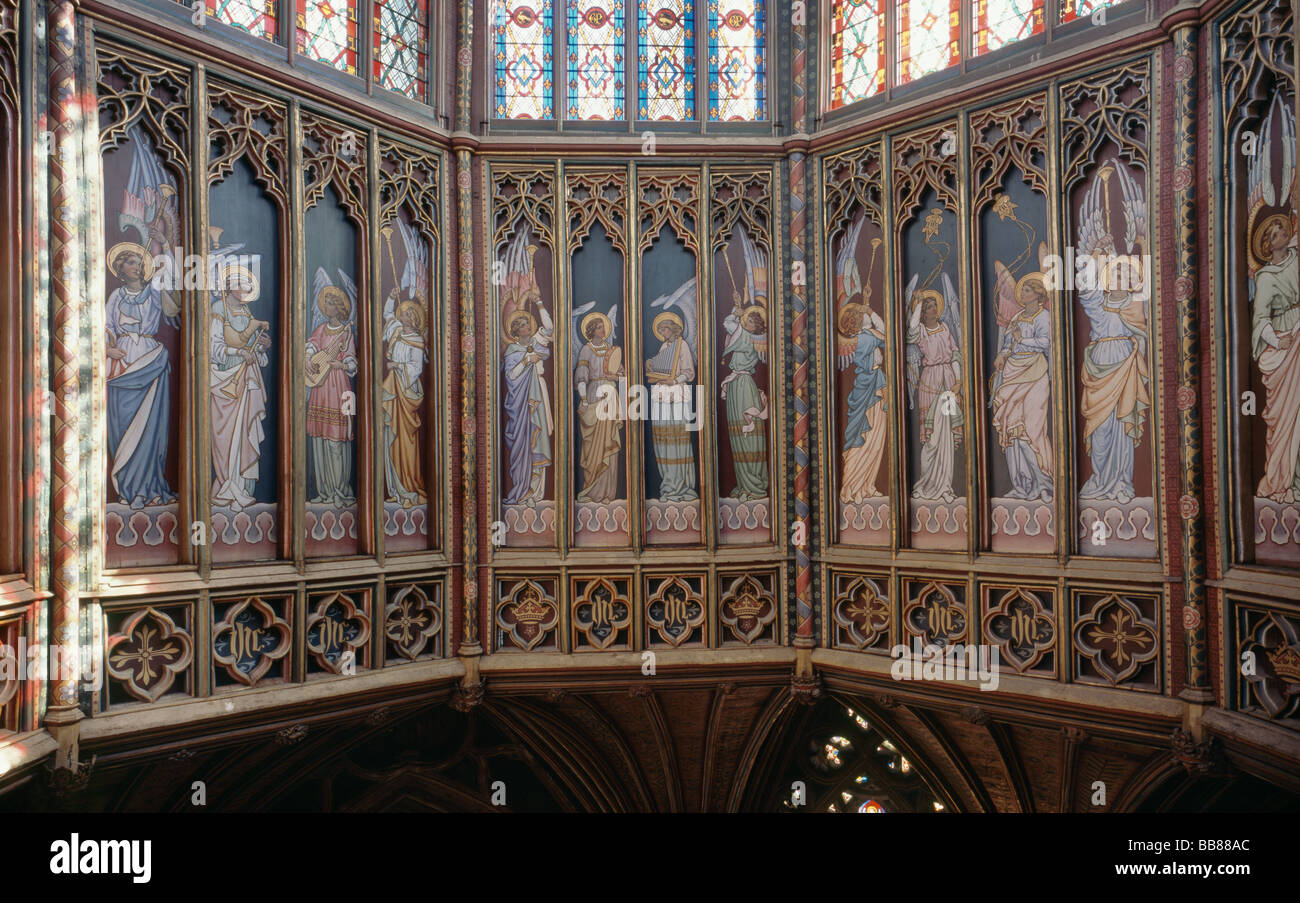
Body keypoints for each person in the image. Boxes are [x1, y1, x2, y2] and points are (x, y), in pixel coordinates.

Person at [105, 242, 176, 509]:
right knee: (123, 426)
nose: (137, 266)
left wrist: (166, 247)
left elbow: (172, 299)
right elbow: (105, 327)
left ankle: (149, 488)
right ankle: (128, 487)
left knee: (151, 427)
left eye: (138, 262)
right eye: (131, 262)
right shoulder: (116, 297)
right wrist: (108, 349)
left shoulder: (153, 292)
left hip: (149, 357)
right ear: (120, 269)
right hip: (123, 362)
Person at [1078, 255, 1150, 503]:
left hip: (1125, 365)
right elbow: (1086, 291)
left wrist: (1140, 360)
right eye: (1116, 273)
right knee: (1100, 427)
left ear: (1133, 280)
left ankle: (1121, 483)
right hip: (1100, 365)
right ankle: (1099, 478)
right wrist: (1095, 256)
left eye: (1126, 274)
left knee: (1122, 426)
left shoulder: (1136, 305)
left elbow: (1142, 337)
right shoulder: (1099, 304)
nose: (1121, 278)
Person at [210, 264, 271, 511]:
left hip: (246, 377)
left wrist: (261, 348)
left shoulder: (246, 311)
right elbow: (212, 347)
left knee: (246, 429)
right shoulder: (218, 309)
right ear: (229, 286)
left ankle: (243, 489)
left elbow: (253, 348)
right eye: (241, 284)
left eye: (247, 285)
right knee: (224, 435)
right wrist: (238, 352)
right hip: (223, 379)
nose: (246, 289)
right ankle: (227, 486)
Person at [990, 274, 1054, 501]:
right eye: (1023, 290)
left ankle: (1044, 483)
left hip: (1034, 373)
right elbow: (1008, 344)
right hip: (1012, 374)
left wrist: (1021, 341)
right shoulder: (1017, 317)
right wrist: (1003, 355)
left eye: (1027, 290)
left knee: (1032, 429)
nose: (1023, 293)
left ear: (1038, 294)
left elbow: (1046, 342)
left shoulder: (1043, 316)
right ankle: (1022, 483)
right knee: (1012, 429)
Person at [1251, 213, 1300, 503]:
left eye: (1282, 228)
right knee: (1286, 418)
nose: (1280, 232)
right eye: (1274, 232)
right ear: (1269, 245)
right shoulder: (1265, 278)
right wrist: (1275, 339)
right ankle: (1286, 479)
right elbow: (1259, 319)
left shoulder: (1297, 258)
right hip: (1286, 344)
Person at [907, 290, 962, 503]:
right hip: (929, 381)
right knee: (931, 437)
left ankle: (946, 487)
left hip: (947, 381)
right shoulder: (920, 330)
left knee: (946, 434)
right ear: (924, 313)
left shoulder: (945, 328)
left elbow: (954, 353)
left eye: (934, 306)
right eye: (929, 307)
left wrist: (958, 381)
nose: (934, 309)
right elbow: (911, 327)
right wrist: (918, 302)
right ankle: (925, 484)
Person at [305, 285, 358, 507]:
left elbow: (352, 361)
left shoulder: (346, 333)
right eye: (325, 303)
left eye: (330, 303)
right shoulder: (321, 329)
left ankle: (340, 490)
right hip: (320, 387)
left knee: (336, 440)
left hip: (339, 388)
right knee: (319, 439)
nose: (327, 307)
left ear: (338, 307)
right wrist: (308, 359)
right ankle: (324, 491)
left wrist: (341, 364)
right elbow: (311, 346)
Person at [502, 307, 554, 506]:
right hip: (521, 401)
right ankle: (523, 489)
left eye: (527, 324)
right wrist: (525, 360)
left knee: (539, 438)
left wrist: (540, 303)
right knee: (522, 442)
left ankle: (535, 491)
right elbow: (511, 376)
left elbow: (549, 329)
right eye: (523, 325)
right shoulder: (512, 351)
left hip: (538, 396)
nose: (527, 327)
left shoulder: (535, 343)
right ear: (516, 330)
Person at [838, 300, 888, 502]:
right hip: (869, 387)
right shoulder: (865, 338)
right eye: (860, 315)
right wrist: (872, 311)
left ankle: (867, 484)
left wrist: (868, 307)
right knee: (865, 437)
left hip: (874, 383)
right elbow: (887, 335)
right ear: (855, 322)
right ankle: (852, 486)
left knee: (876, 438)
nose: (864, 315)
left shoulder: (865, 336)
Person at [645, 312, 698, 502]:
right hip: (662, 397)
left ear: (673, 328)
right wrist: (650, 364)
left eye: (664, 329)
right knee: (664, 441)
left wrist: (673, 380)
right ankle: (668, 484)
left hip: (676, 395)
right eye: (660, 330)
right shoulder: (664, 347)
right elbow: (661, 369)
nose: (662, 332)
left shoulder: (681, 345)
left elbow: (688, 372)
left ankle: (679, 486)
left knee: (677, 440)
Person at [382, 292, 428, 508]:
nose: (404, 316)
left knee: (404, 439)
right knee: (390, 437)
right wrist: (391, 298)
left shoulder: (417, 340)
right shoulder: (397, 331)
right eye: (403, 313)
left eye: (408, 315)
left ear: (415, 319)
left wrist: (397, 367)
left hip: (405, 390)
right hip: (393, 388)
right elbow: (387, 315)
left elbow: (416, 368)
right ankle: (396, 489)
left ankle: (409, 489)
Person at [721, 299, 769, 500]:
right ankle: (744, 484)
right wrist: (738, 313)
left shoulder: (749, 337)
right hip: (736, 385)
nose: (744, 321)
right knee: (737, 437)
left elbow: (728, 323)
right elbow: (731, 326)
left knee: (747, 435)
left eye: (748, 320)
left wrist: (735, 312)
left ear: (754, 327)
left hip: (743, 387)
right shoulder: (743, 334)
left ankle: (754, 485)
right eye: (745, 319)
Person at [574, 312, 623, 504]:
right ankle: (592, 489)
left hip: (609, 395)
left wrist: (617, 377)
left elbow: (619, 372)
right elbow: (581, 377)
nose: (603, 330)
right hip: (594, 394)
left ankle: (607, 492)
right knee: (593, 445)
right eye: (599, 327)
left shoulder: (610, 349)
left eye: (603, 327)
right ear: (592, 330)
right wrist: (584, 400)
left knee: (609, 442)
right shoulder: (586, 350)